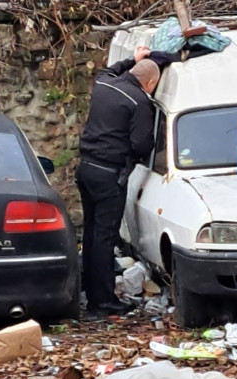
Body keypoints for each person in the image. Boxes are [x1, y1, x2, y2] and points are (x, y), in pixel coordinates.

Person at [76, 47, 161, 316]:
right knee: (104, 237)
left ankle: (89, 292)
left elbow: (114, 68)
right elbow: (141, 144)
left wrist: (133, 59)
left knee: (90, 233)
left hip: (85, 168)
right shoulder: (139, 101)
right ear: (150, 83)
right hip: (109, 174)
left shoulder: (103, 81)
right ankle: (102, 301)